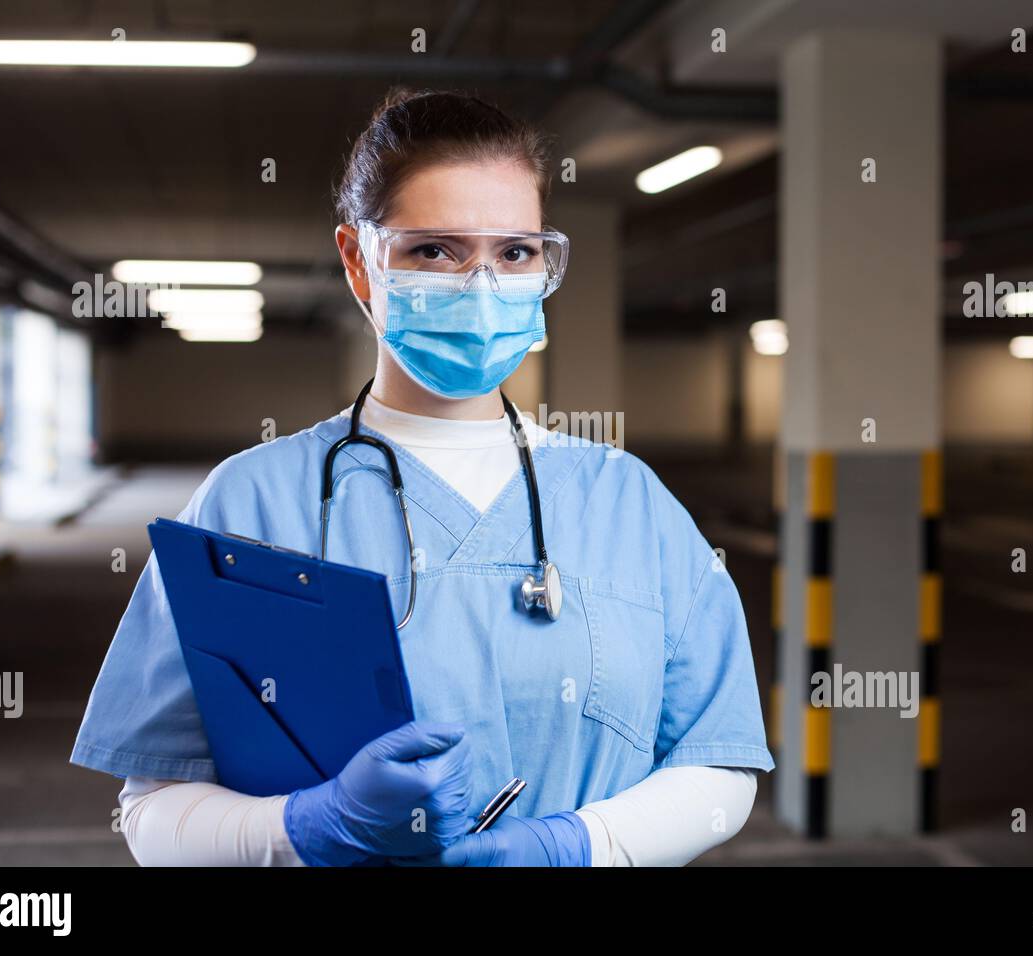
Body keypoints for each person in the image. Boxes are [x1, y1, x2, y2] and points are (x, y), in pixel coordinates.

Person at [70, 87, 774, 867]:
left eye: (514, 252)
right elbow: (153, 812)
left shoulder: (628, 502)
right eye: (435, 251)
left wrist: (575, 847)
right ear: (358, 260)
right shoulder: (249, 502)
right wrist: (310, 827)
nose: (481, 286)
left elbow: (720, 767)